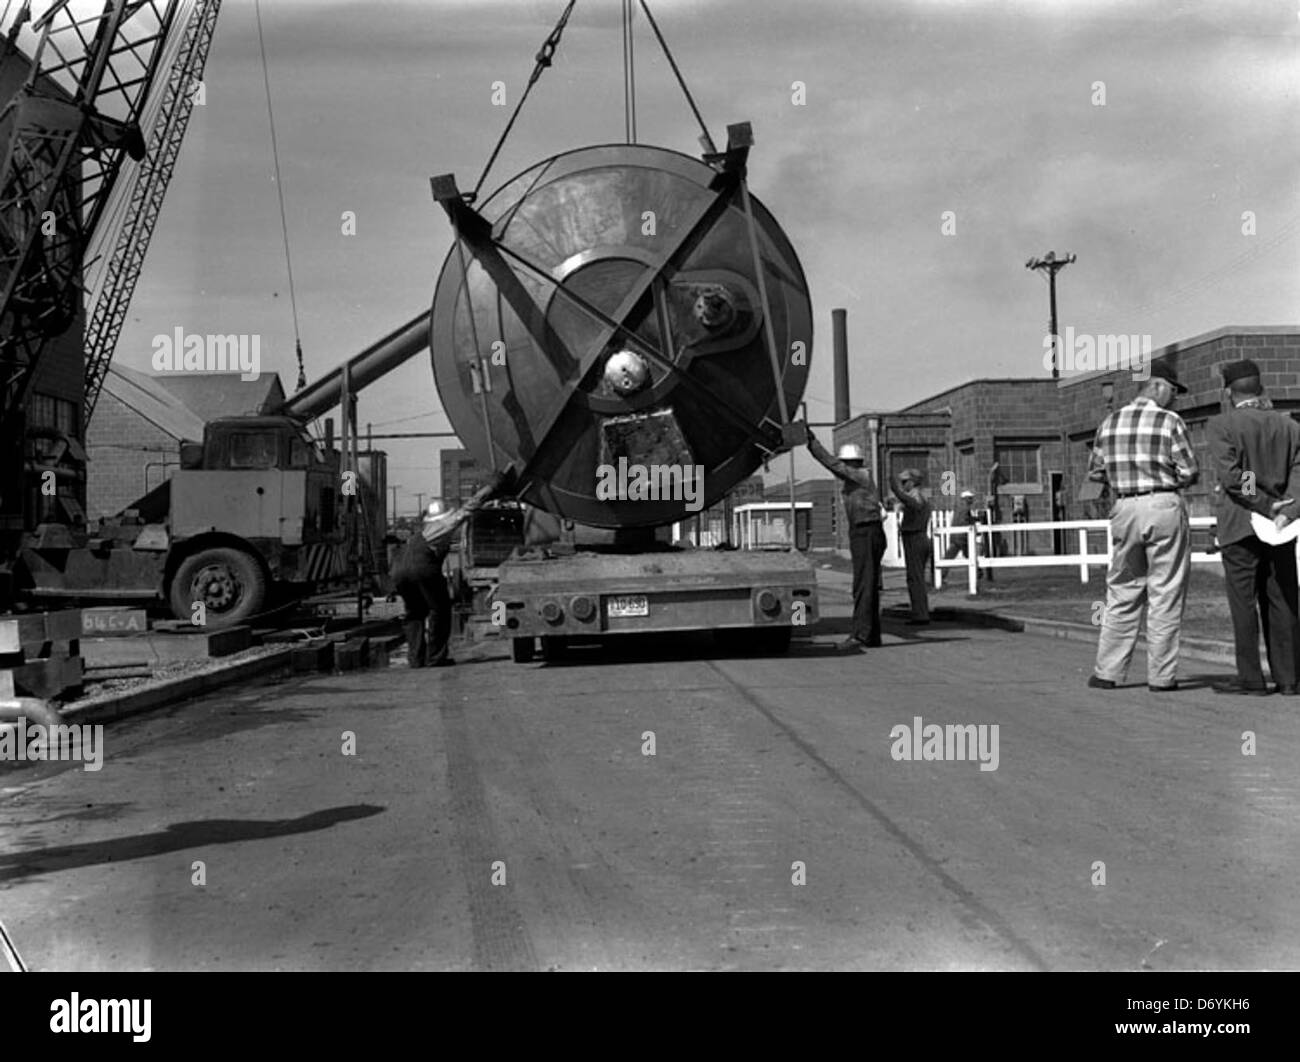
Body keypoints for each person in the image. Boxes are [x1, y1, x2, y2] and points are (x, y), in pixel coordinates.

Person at [1086, 362, 1198, 692]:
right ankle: (1161, 676)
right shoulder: (1169, 421)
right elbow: (1189, 470)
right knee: (1165, 590)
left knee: (1122, 590)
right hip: (1162, 503)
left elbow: (1095, 473)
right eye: (1174, 391)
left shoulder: (1109, 422)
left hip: (1124, 506)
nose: (1175, 399)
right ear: (1158, 386)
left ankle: (1106, 671)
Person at [1206, 359, 1300, 695]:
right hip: (1281, 526)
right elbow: (1298, 474)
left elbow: (1236, 475)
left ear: (1229, 392)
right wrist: (1287, 508)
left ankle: (1252, 678)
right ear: (1260, 389)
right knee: (1283, 599)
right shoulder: (1289, 427)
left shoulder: (1222, 425)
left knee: (1243, 603)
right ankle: (1289, 678)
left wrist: (1260, 501)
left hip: (1241, 524)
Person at [392, 469, 512, 667]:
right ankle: (435, 658)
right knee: (439, 609)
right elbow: (467, 509)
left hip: (398, 570)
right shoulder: (442, 525)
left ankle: (415, 660)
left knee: (414, 613)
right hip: (421, 567)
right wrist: (490, 489)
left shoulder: (420, 530)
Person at [806, 428, 885, 651]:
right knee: (867, 585)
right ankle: (871, 635)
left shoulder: (860, 475)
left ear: (852, 462)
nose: (843, 467)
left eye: (846, 463)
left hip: (867, 532)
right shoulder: (855, 481)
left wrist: (813, 445)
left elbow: (833, 465)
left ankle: (861, 635)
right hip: (864, 532)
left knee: (863, 585)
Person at [890, 467, 932, 624]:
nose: (903, 485)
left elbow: (913, 504)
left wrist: (896, 491)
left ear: (913, 482)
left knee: (916, 579)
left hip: (915, 537)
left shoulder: (916, 496)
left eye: (904, 481)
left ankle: (920, 614)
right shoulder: (920, 496)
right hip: (917, 537)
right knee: (916, 578)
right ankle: (920, 611)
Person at [943, 489, 981, 568]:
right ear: (965, 498)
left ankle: (978, 571)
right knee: (951, 556)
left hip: (958, 537)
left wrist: (975, 519)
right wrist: (974, 522)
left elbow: (966, 519)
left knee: (968, 555)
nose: (972, 500)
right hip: (960, 537)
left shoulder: (960, 507)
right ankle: (978, 571)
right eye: (970, 498)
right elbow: (963, 521)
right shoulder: (964, 508)